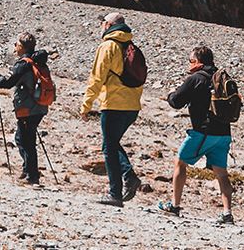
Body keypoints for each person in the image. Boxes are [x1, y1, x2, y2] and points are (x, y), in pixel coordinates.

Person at [156, 46, 235, 224]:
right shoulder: (221, 77)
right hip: (224, 133)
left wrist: (169, 95)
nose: (189, 65)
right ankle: (227, 213)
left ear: (198, 62)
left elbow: (176, 101)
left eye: (191, 61)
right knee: (221, 173)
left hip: (203, 132)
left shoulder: (196, 78)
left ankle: (174, 206)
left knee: (180, 162)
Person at [81, 12, 143, 207]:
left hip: (114, 104)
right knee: (112, 144)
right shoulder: (131, 46)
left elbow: (96, 78)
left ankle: (116, 192)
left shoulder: (108, 46)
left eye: (102, 23)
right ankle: (127, 177)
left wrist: (86, 104)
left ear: (107, 25)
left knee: (109, 147)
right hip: (132, 106)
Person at [0, 32, 52, 185]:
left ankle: (32, 176)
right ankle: (28, 170)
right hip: (40, 106)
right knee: (22, 137)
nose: (15, 47)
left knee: (26, 140)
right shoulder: (39, 62)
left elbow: (9, 82)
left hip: (27, 107)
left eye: (16, 44)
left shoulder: (23, 64)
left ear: (22, 47)